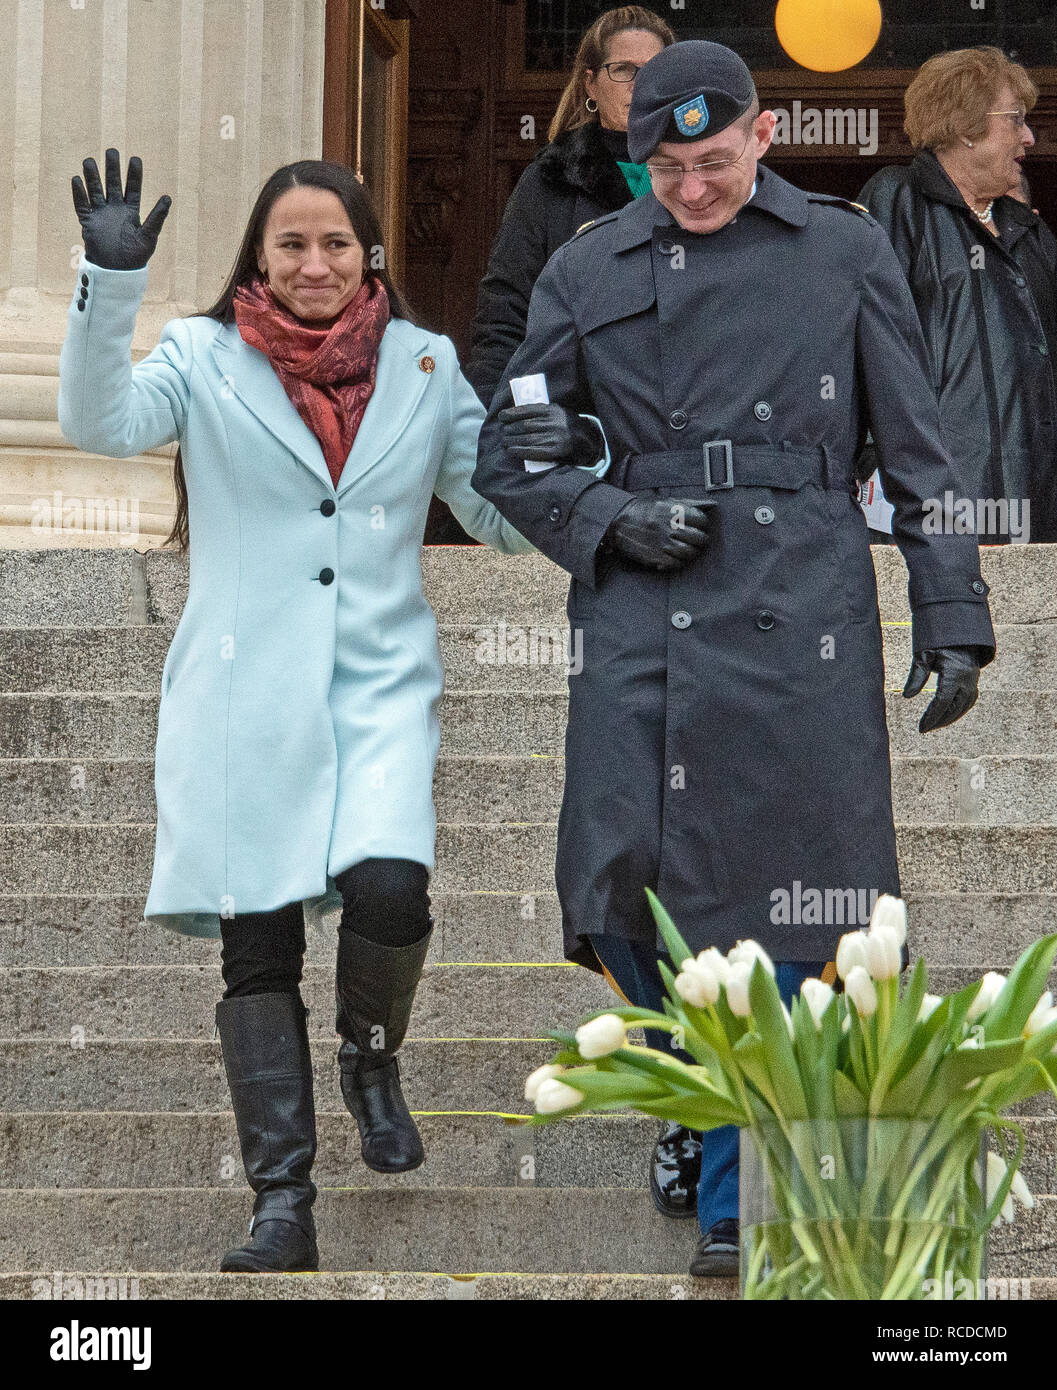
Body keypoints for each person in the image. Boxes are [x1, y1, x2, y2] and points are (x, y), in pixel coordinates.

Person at [473, 41, 996, 1278]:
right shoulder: (583, 262)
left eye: (712, 163)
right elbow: (512, 457)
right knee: (616, 879)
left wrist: (952, 604)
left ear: (764, 136)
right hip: (644, 606)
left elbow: (920, 446)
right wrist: (604, 518)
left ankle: (738, 1186)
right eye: (664, 167)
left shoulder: (844, 249)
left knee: (794, 901)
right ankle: (698, 1092)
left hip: (798, 594)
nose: (691, 189)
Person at [57, 149, 544, 1274]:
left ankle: (370, 1053)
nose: (314, 263)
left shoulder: (425, 365)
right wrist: (106, 281)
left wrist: (568, 456)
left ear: (368, 253)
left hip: (377, 687)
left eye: (335, 242)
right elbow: (98, 425)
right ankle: (283, 1201)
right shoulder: (202, 354)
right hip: (239, 699)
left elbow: (501, 515)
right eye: (291, 244)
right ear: (261, 257)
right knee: (257, 944)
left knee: (391, 885)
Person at [858, 46, 1057, 543]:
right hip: (931, 503)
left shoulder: (1029, 232)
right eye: (1015, 120)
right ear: (967, 128)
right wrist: (868, 462)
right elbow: (852, 340)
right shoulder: (897, 201)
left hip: (1036, 505)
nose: (1029, 138)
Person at [466, 5, 674, 411]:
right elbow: (505, 315)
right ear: (591, 85)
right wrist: (491, 424)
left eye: (654, 71)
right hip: (579, 416)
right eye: (624, 70)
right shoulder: (552, 178)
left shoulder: (700, 176)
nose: (639, 84)